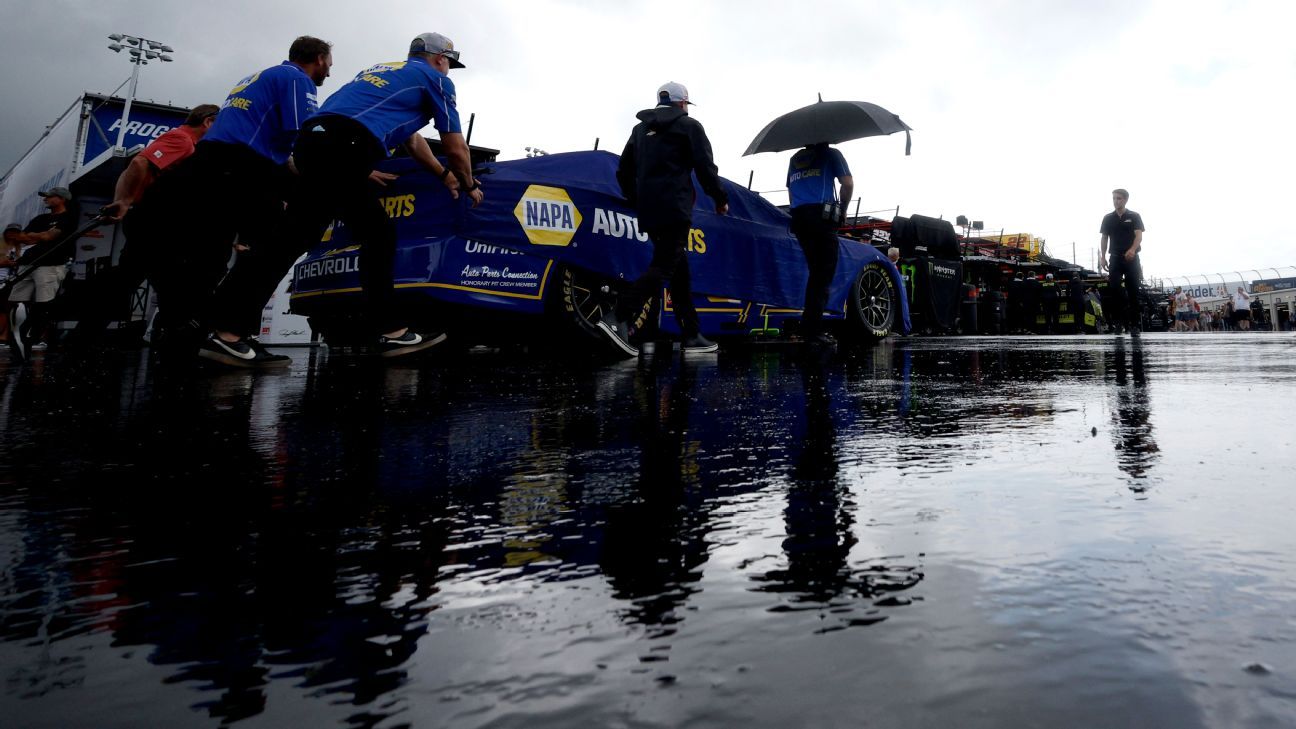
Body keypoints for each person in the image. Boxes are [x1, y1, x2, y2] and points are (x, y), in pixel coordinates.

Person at [209, 32, 477, 365]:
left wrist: (442, 174)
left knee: (293, 239)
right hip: (343, 149)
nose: (449, 70)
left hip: (314, 143)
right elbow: (455, 146)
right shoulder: (436, 80)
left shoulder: (385, 72)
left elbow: (412, 141)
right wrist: (467, 182)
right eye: (449, 64)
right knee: (374, 234)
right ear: (441, 59)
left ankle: (225, 331)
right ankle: (392, 333)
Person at [120, 36, 334, 368]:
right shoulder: (296, 79)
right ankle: (230, 334)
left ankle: (192, 334)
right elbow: (302, 137)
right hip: (242, 164)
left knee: (211, 254)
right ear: (319, 58)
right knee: (279, 243)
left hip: (214, 164)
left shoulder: (253, 78)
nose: (330, 72)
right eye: (329, 63)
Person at [69, 104, 221, 344]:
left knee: (149, 277)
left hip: (150, 219)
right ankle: (83, 333)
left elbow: (133, 166)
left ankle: (87, 332)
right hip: (152, 221)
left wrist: (122, 202)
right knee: (148, 278)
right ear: (209, 122)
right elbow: (139, 163)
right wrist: (125, 201)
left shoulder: (185, 142)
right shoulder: (181, 139)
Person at [604, 81, 729, 356]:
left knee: (677, 269)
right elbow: (706, 168)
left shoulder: (639, 130)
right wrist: (720, 198)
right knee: (664, 266)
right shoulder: (689, 126)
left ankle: (691, 334)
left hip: (649, 211)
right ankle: (618, 317)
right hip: (675, 208)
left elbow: (623, 172)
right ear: (682, 103)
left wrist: (637, 200)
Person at [784, 142, 853, 346]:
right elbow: (847, 183)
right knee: (823, 274)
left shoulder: (794, 159)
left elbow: (790, 191)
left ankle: (809, 326)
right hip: (822, 217)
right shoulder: (832, 154)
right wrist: (843, 208)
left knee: (815, 272)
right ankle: (812, 330)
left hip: (799, 217)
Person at [6, 186, 79, 355]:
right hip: (28, 263)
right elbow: (21, 238)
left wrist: (36, 236)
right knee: (17, 302)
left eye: (49, 196)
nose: (45, 199)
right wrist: (39, 236)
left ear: (62, 199)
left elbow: (49, 237)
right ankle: (16, 338)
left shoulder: (69, 217)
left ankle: (36, 338)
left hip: (51, 264)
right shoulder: (40, 218)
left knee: (44, 304)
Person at [1098, 188, 1145, 333]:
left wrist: (1132, 249)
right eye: (1113, 198)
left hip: (1132, 259)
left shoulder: (1134, 216)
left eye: (1118, 198)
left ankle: (1135, 325)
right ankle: (1118, 323)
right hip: (1115, 259)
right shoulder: (1107, 218)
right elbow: (1104, 237)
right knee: (1115, 290)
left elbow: (1139, 236)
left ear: (1125, 200)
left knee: (1133, 291)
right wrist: (1103, 256)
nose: (1115, 201)